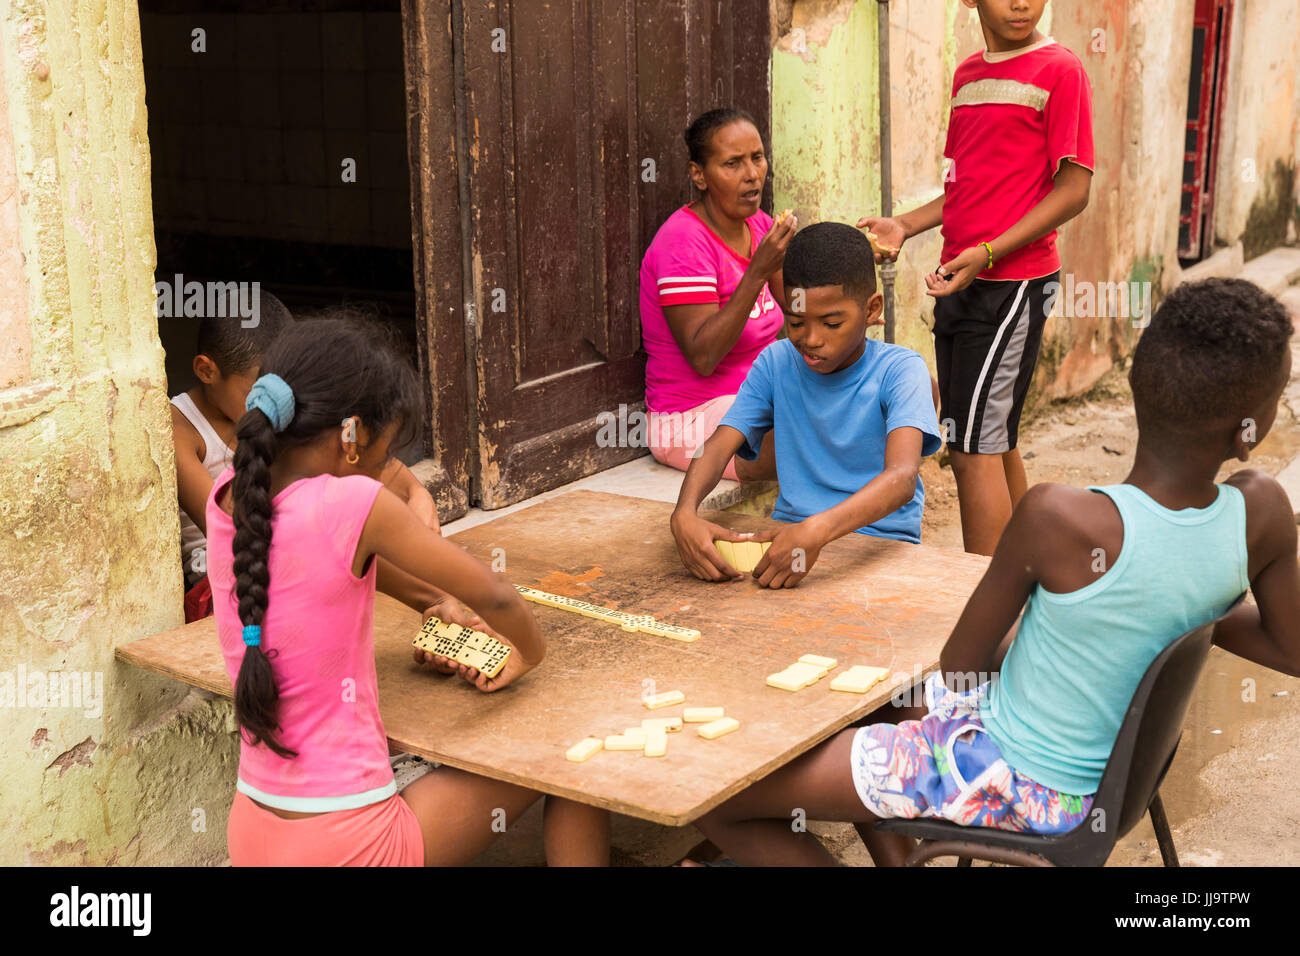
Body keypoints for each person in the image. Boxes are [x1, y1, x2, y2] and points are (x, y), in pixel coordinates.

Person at [686, 279, 1299, 866]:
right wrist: (1164, 612)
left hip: (1007, 781)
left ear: (1136, 383)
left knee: (715, 800)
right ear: (1251, 431)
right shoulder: (1262, 512)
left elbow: (958, 671)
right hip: (1109, 791)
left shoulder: (1059, 517)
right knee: (876, 710)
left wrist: (1045, 637)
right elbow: (1286, 645)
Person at [208, 318, 609, 865]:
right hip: (349, 842)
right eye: (387, 449)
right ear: (351, 437)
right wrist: (527, 654)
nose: (385, 467)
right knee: (570, 759)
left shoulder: (230, 499)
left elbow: (326, 563)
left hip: (253, 828)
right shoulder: (349, 502)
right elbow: (497, 596)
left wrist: (434, 603)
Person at [863, 0, 1093, 555]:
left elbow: (1073, 190)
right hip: (964, 278)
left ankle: (986, 608)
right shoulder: (968, 76)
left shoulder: (1061, 70)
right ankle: (1025, 575)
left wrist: (988, 253)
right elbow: (969, 186)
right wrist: (904, 224)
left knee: (969, 449)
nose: (1021, 3)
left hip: (1012, 285)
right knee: (992, 438)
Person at [670, 223, 942, 589]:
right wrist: (684, 512)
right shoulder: (776, 362)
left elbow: (902, 478)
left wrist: (817, 531)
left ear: (871, 308)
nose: (811, 339)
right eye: (796, 322)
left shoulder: (900, 370)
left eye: (831, 323)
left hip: (881, 548)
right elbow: (720, 444)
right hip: (790, 539)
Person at [172, 299, 439, 621]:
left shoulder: (280, 404)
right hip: (230, 583)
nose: (270, 401)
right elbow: (235, 529)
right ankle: (430, 598)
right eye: (255, 388)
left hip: (297, 549)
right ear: (206, 370)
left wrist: (417, 495)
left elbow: (358, 454)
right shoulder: (180, 430)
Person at [639, 107, 793, 480]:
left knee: (893, 392)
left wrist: (847, 311)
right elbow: (704, 356)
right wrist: (756, 272)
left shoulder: (759, 225)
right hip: (692, 415)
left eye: (757, 158)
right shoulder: (684, 242)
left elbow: (794, 308)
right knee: (813, 434)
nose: (752, 174)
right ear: (699, 175)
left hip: (756, 397)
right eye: (733, 164)